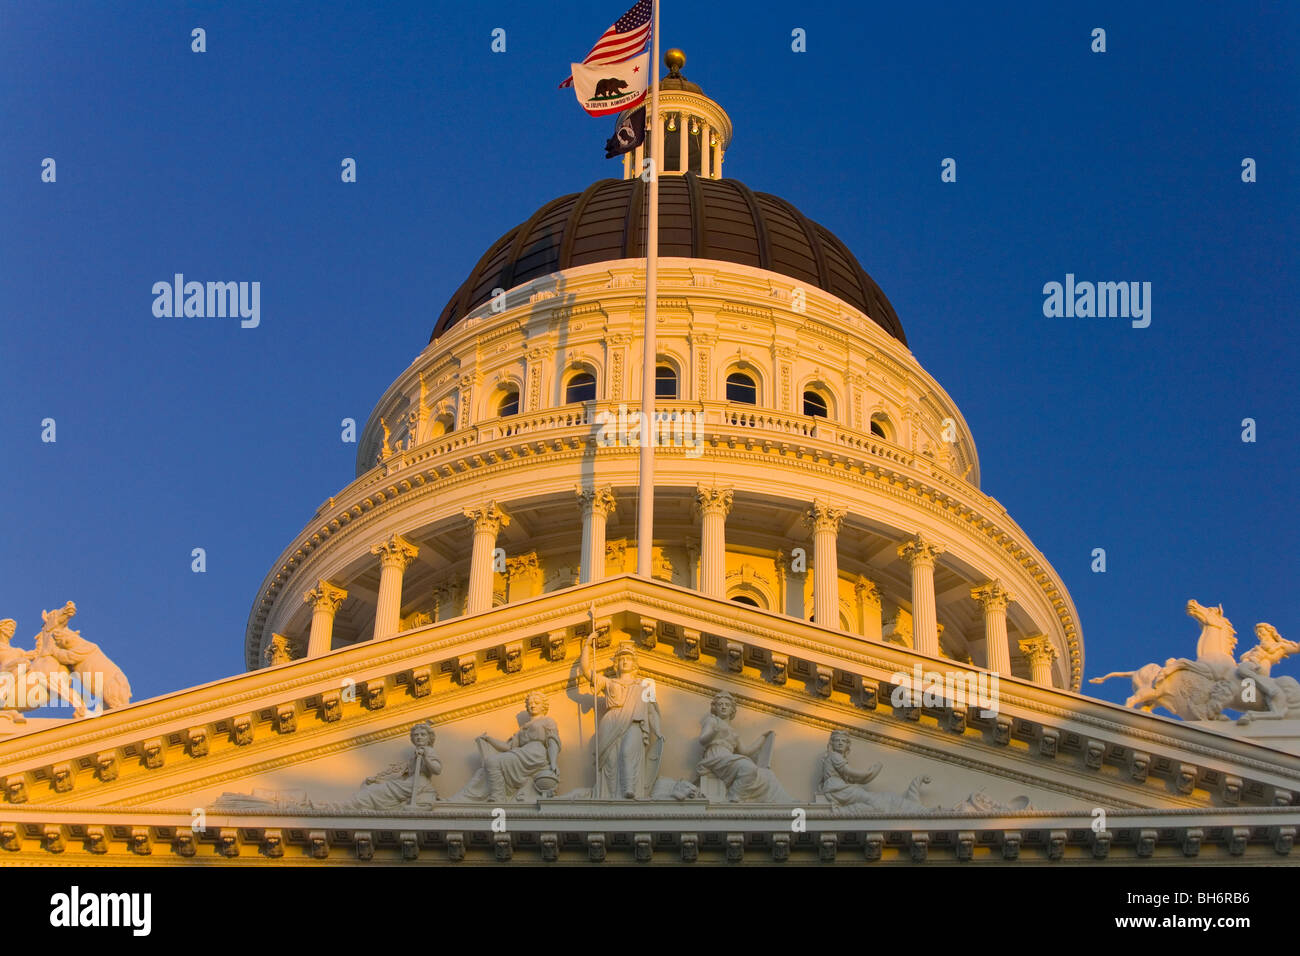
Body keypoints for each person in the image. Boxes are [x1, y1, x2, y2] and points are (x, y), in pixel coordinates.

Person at [579, 636, 662, 799]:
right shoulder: (609, 683)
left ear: (634, 664)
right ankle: (609, 795)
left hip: (634, 723)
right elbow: (586, 671)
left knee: (627, 753)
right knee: (610, 761)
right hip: (611, 722)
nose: (625, 661)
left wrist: (658, 732)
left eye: (628, 659)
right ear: (616, 663)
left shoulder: (644, 685)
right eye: (621, 658)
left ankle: (628, 788)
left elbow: (652, 711)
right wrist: (587, 646)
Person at [453, 691, 561, 801]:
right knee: (486, 767)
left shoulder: (547, 721)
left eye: (536, 703)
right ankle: (470, 798)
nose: (532, 705)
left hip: (535, 755)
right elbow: (508, 747)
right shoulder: (523, 728)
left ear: (543, 706)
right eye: (530, 703)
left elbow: (553, 742)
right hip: (522, 753)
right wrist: (488, 739)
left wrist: (553, 763)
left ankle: (498, 797)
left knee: (492, 762)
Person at [695, 691, 792, 803]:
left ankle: (784, 801)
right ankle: (734, 796)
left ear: (732, 710)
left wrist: (762, 738)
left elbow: (745, 751)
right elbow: (702, 740)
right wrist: (714, 732)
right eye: (720, 704)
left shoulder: (734, 733)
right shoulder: (712, 721)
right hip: (716, 757)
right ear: (715, 708)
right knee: (748, 768)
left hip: (728, 759)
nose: (723, 707)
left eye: (727, 705)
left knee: (766, 775)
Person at [347, 721, 441, 810]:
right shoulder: (415, 755)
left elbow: (437, 770)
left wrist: (425, 757)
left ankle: (358, 803)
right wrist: (379, 780)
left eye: (423, 735)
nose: (419, 737)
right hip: (409, 783)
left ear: (429, 738)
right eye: (416, 735)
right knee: (380, 787)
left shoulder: (428, 751)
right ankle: (360, 802)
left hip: (418, 784)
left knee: (381, 790)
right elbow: (400, 775)